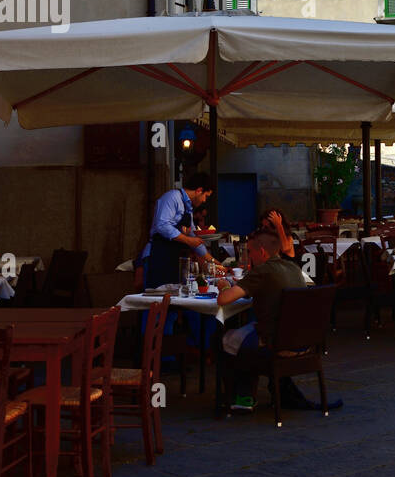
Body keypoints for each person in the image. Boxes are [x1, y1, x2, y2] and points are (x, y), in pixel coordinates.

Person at [216, 230, 337, 413]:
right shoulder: (293, 268)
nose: (249, 257)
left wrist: (223, 285)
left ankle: (242, 398)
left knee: (224, 339)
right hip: (304, 343)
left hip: (275, 345)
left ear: (262, 252)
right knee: (245, 334)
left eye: (250, 252)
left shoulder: (262, 271)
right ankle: (255, 393)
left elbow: (223, 300)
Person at [141, 172, 213, 290]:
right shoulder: (172, 197)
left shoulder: (188, 208)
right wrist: (189, 240)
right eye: (206, 196)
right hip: (158, 256)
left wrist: (213, 261)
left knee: (173, 300)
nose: (205, 200)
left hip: (172, 259)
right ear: (199, 190)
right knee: (155, 298)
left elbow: (194, 236)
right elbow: (162, 225)